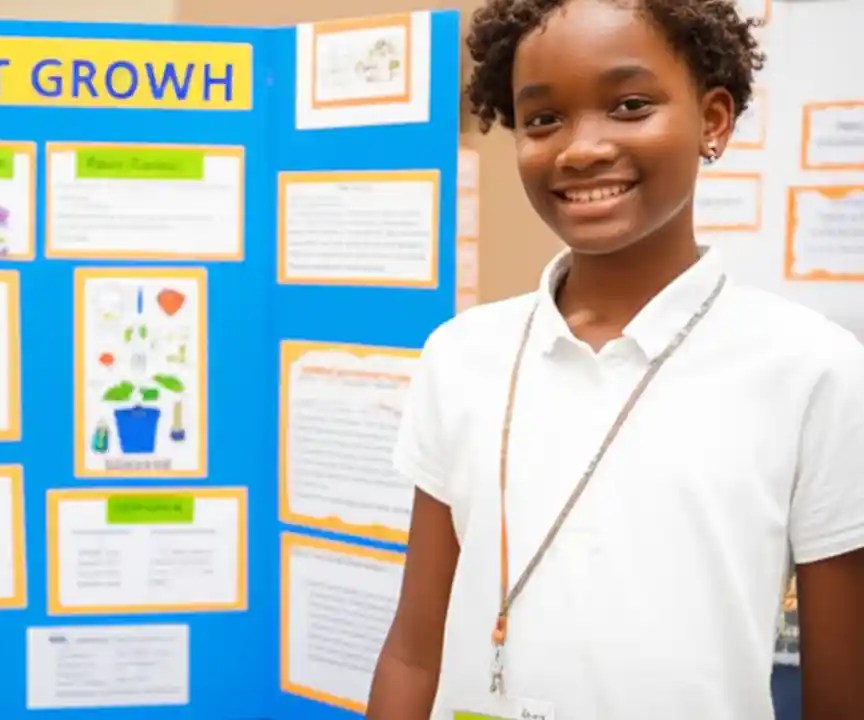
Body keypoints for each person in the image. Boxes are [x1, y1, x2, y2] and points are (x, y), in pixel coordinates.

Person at [365, 1, 864, 718]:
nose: (581, 149)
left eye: (630, 106)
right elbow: (414, 654)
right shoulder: (462, 355)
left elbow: (841, 692)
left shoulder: (812, 369)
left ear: (713, 121)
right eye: (543, 119)